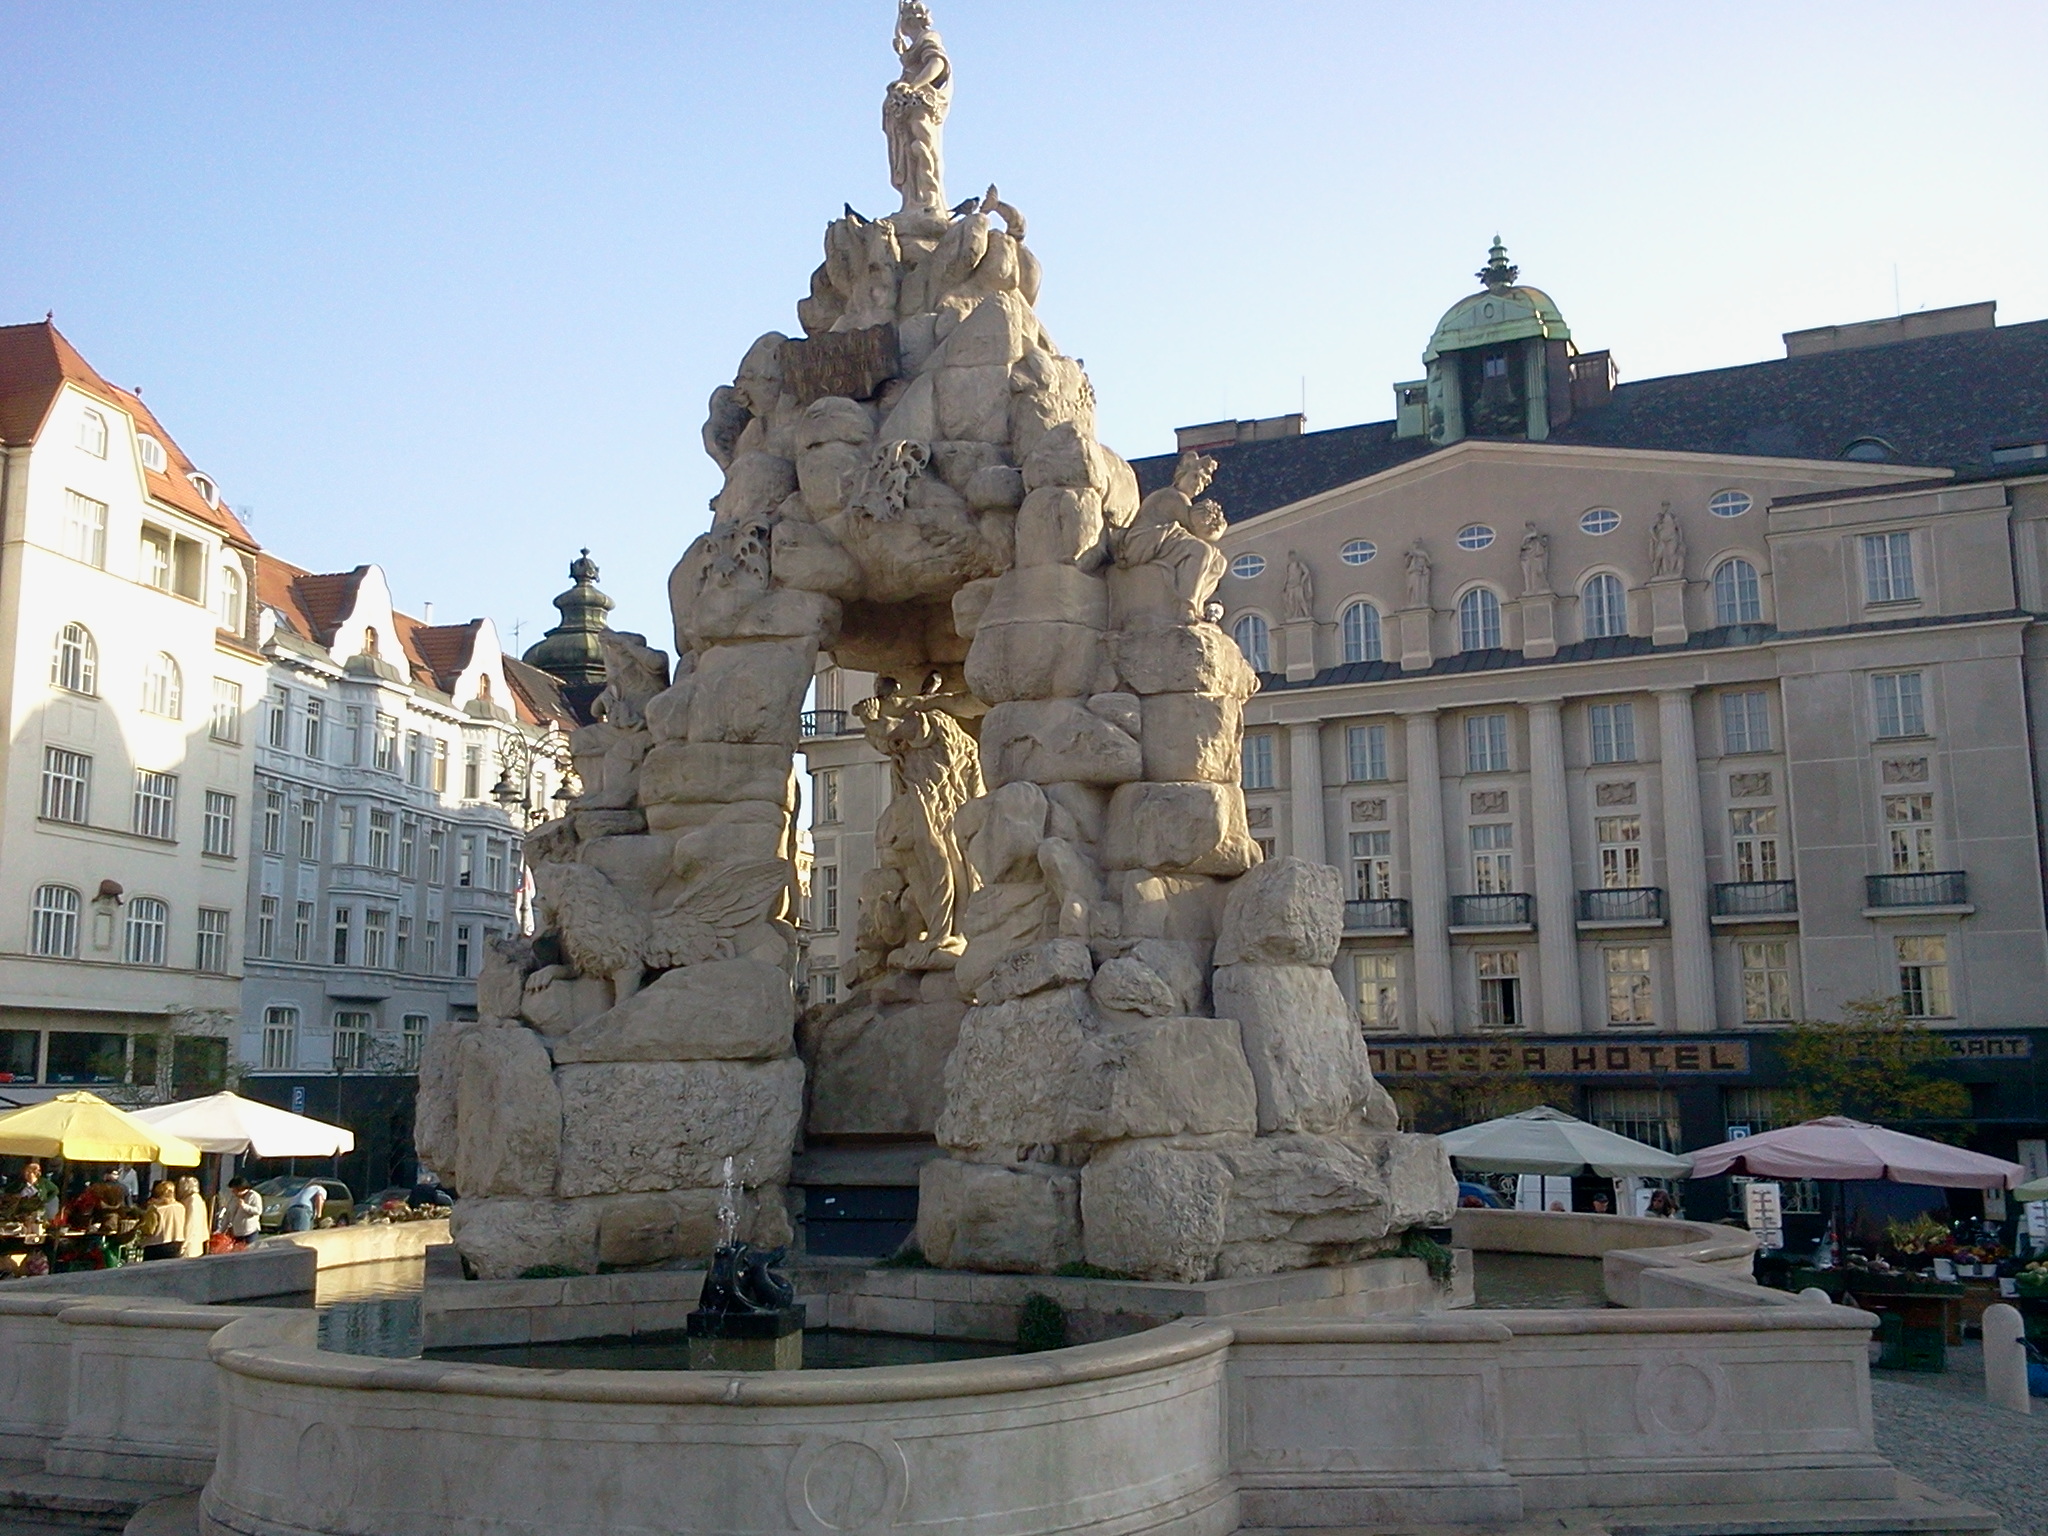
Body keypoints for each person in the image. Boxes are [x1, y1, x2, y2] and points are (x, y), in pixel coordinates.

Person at [137, 1180, 185, 1261]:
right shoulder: (180, 1207)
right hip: (177, 1242)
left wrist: (140, 1227)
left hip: (156, 1244)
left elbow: (149, 1230)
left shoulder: (155, 1209)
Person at [176, 1176, 209, 1258]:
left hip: (191, 1243)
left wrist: (185, 1243)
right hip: (195, 1240)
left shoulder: (192, 1200)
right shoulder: (195, 1199)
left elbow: (191, 1223)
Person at [225, 1178, 263, 1246]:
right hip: (237, 1232)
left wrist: (245, 1206)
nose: (233, 1193)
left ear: (241, 1189)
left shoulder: (254, 1196)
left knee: (248, 1251)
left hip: (250, 1232)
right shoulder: (234, 1197)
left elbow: (258, 1211)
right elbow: (228, 1214)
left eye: (235, 1190)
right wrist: (222, 1230)